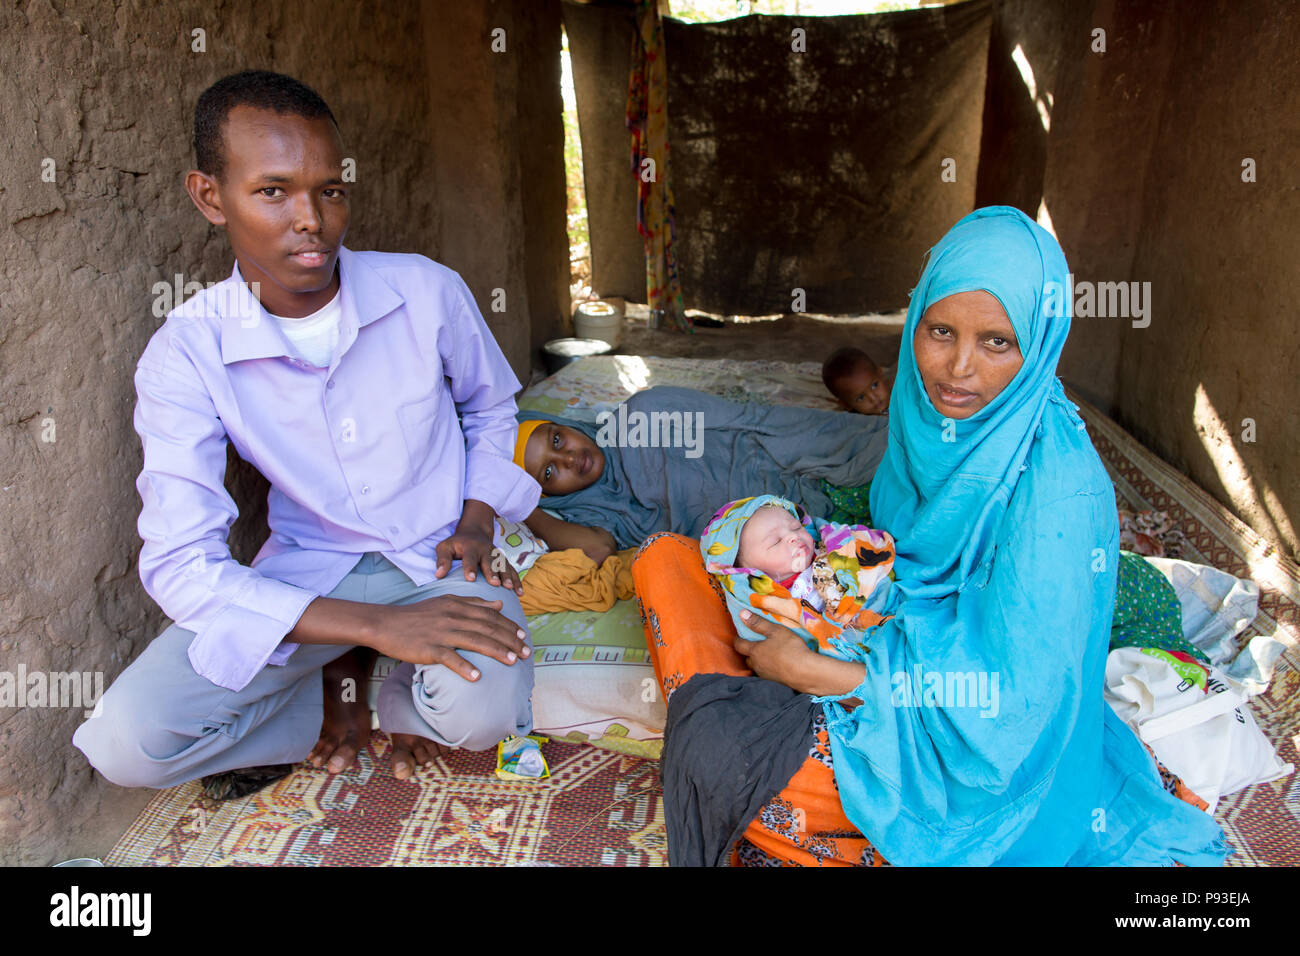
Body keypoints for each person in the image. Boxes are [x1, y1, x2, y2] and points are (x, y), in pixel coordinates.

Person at [632, 206, 1227, 866]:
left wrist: (823, 672)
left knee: (729, 759)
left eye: (997, 342)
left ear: (1041, 341)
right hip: (880, 634)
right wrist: (821, 603)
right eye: (940, 330)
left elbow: (1017, 708)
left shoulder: (1059, 489)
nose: (958, 369)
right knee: (668, 562)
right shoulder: (923, 426)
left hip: (982, 758)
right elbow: (897, 571)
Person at [72, 70, 539, 796]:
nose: (311, 218)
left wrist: (479, 520)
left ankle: (370, 690)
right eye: (272, 191)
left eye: (330, 189)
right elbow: (181, 564)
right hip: (307, 574)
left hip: (438, 558)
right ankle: (333, 675)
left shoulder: (425, 291)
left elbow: (490, 410)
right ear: (209, 197)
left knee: (481, 713)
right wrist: (376, 628)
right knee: (129, 743)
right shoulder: (188, 350)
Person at [515, 385, 889, 561]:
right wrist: (518, 503)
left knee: (911, 474)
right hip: (791, 536)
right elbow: (598, 549)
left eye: (558, 439)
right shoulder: (596, 515)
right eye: (548, 472)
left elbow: (755, 422)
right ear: (542, 494)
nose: (567, 459)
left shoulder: (644, 413)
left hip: (807, 465)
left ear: (566, 425)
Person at [699, 494, 895, 652]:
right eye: (775, 541)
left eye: (796, 527)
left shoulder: (825, 552)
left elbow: (861, 554)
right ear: (745, 570)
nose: (793, 536)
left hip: (875, 607)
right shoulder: (769, 599)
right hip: (842, 639)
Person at [822, 346, 893, 415]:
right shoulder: (857, 421)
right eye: (860, 398)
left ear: (880, 373)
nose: (873, 399)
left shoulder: (900, 391)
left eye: (875, 385)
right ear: (847, 405)